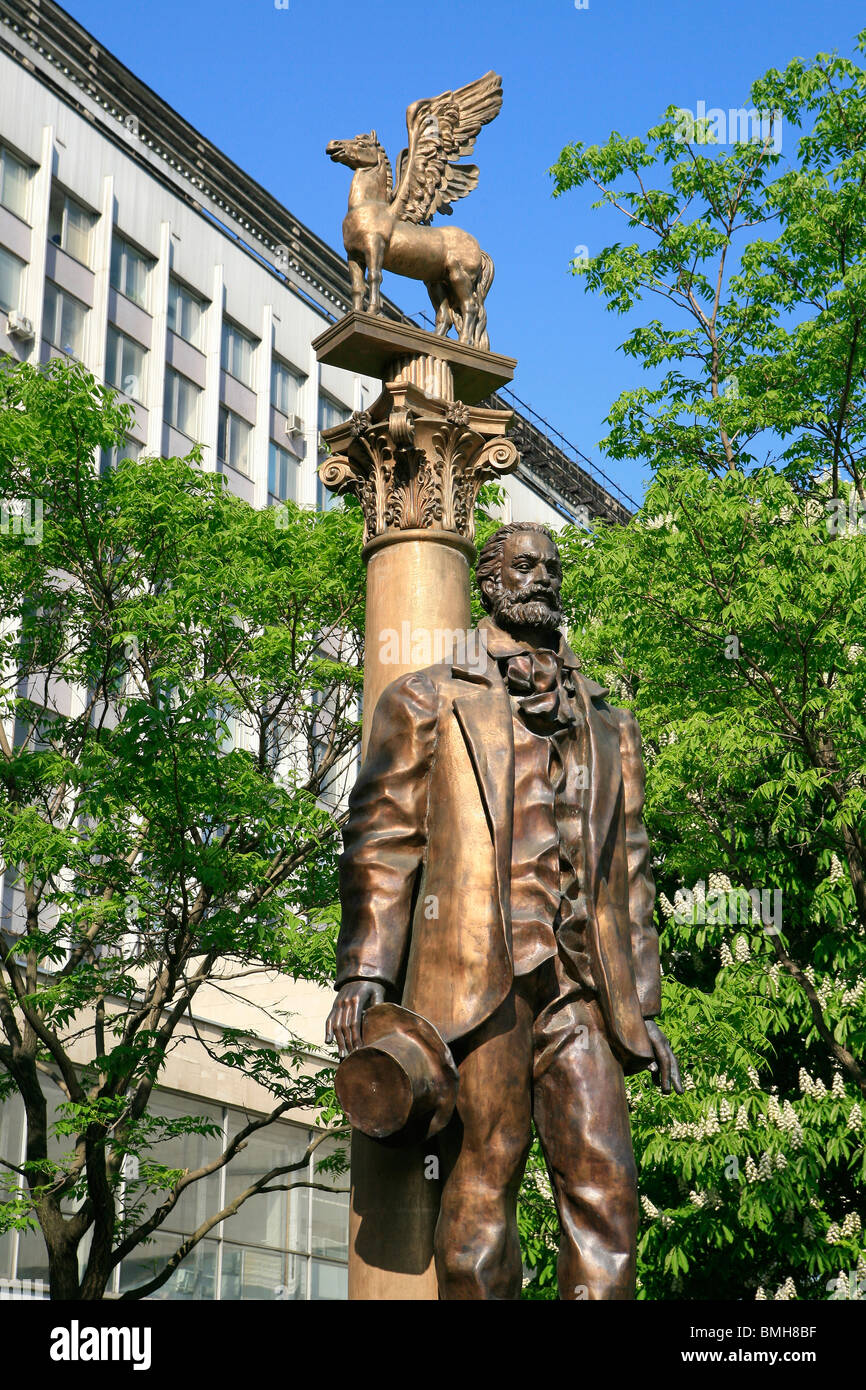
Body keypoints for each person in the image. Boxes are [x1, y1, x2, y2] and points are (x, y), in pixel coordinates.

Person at [326, 521, 681, 1299]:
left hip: (582, 989)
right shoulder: (428, 696)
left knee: (609, 1188)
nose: (543, 579)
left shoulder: (609, 721)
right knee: (487, 1179)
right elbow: (382, 843)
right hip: (479, 980)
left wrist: (645, 1007)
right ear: (487, 580)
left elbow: (631, 867)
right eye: (524, 566)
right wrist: (365, 973)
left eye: (553, 568)